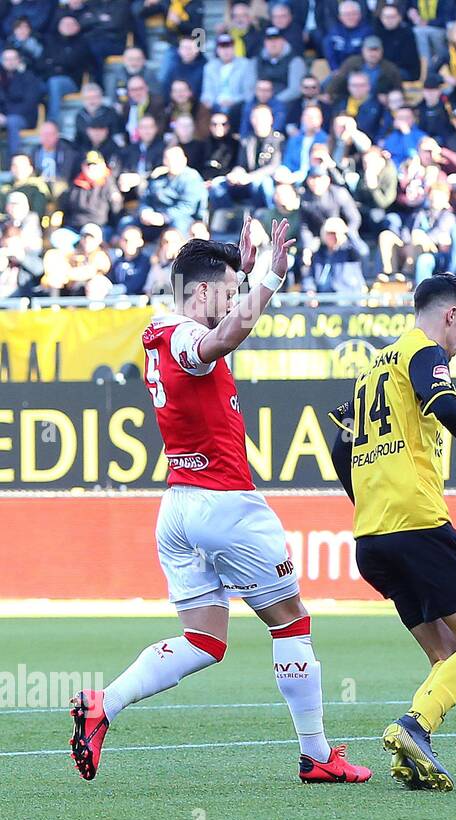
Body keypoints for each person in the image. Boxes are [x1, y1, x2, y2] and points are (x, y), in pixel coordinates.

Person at [69, 219, 371, 785]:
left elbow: (221, 327)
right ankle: (317, 754)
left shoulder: (158, 333)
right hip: (225, 504)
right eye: (227, 292)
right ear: (201, 291)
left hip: (178, 508)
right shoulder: (184, 338)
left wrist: (247, 272)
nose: (234, 303)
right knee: (291, 623)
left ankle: (101, 705)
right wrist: (270, 278)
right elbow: (222, 337)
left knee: (204, 639)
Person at [328, 274, 456, 790]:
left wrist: (370, 500)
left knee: (447, 656)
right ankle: (413, 726)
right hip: (418, 524)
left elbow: (340, 445)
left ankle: (415, 754)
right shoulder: (422, 354)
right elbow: (446, 406)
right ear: (450, 315)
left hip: (372, 538)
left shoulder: (372, 369)